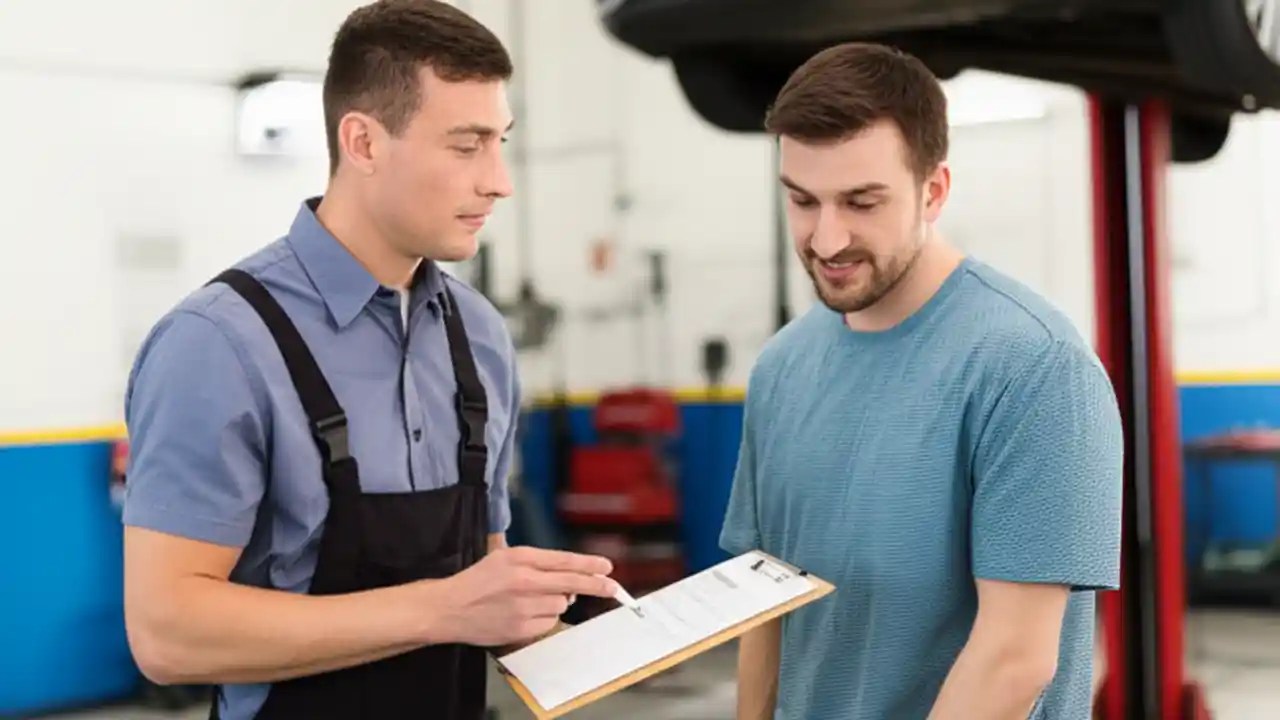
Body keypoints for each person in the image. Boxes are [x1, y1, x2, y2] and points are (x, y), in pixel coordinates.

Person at [119, 2, 620, 719]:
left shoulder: (478, 336)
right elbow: (167, 635)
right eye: (467, 144)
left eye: (502, 141)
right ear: (363, 142)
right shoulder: (219, 344)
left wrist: (608, 633)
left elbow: (483, 582)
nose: (500, 180)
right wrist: (443, 609)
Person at [720, 42, 1124, 719]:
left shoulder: (1033, 368)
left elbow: (1014, 658)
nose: (825, 240)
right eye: (802, 201)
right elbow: (765, 604)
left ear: (933, 190)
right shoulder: (781, 367)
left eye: (861, 202)